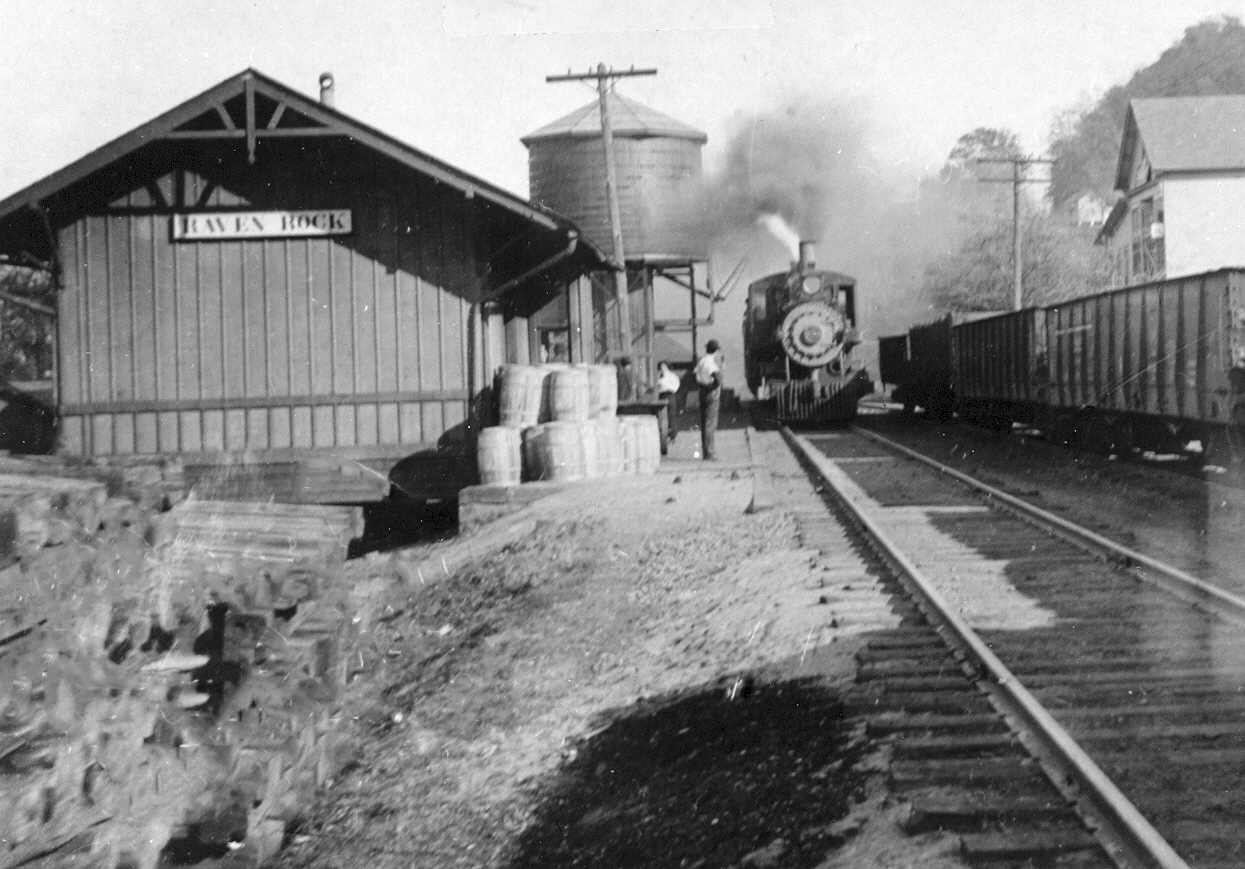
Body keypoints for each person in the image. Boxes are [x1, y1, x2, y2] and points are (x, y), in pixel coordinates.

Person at [693, 340, 722, 461]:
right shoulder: (711, 364)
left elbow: (694, 376)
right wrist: (710, 387)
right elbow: (718, 380)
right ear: (716, 351)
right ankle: (710, 454)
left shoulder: (701, 361)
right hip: (712, 394)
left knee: (704, 422)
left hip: (702, 393)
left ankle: (706, 453)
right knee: (711, 424)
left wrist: (702, 386)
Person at [656, 361, 681, 441]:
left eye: (663, 366)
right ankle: (665, 432)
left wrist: (668, 387)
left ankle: (672, 433)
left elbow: (676, 385)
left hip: (669, 394)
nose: (662, 368)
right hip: (663, 395)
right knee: (664, 414)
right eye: (661, 367)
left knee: (671, 414)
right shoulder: (659, 375)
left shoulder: (671, 375)